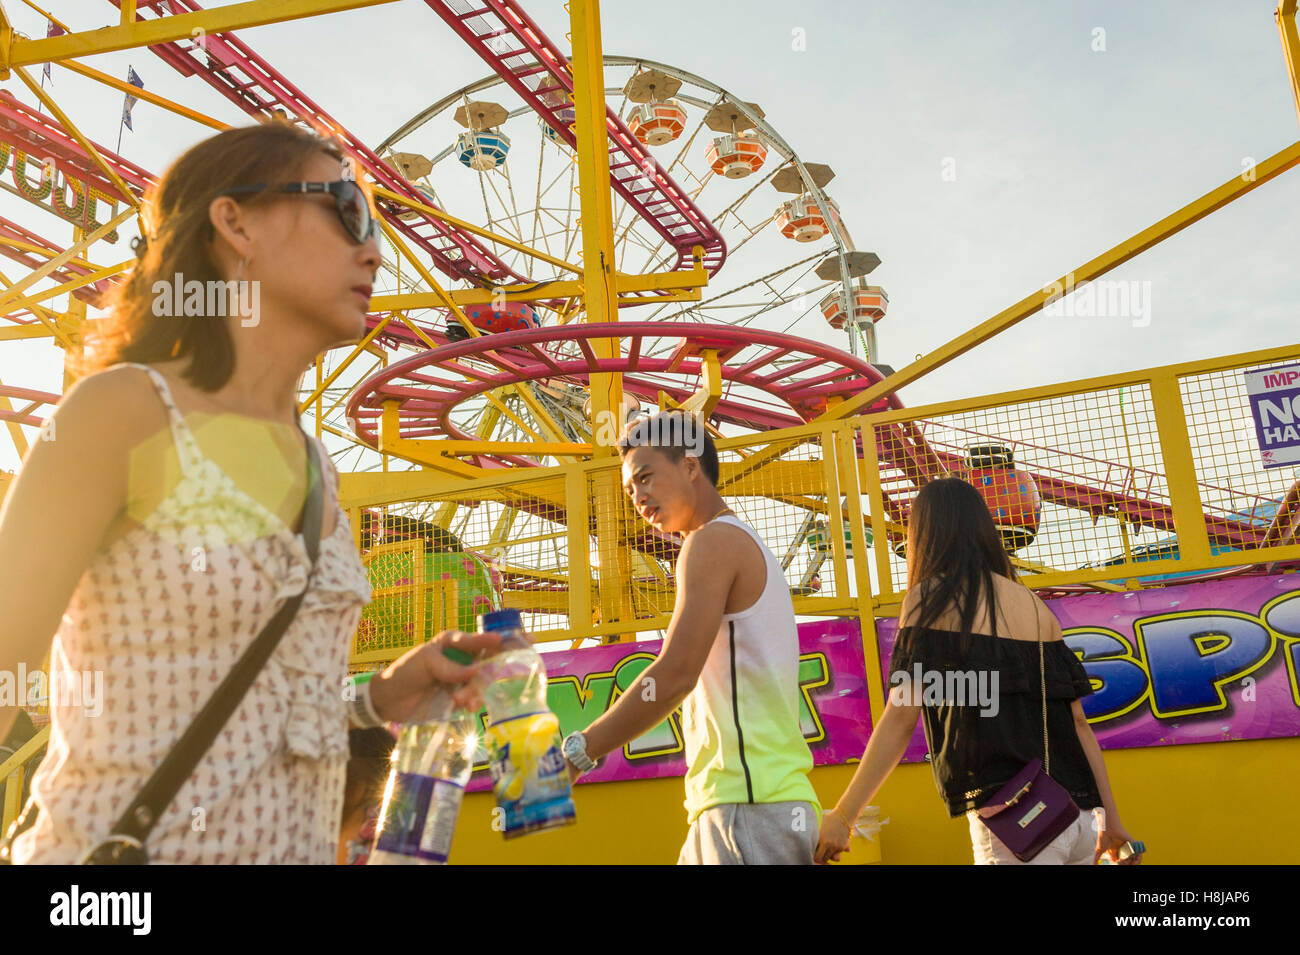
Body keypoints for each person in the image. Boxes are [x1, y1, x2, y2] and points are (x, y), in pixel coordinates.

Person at [0, 122, 498, 864]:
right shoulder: (124, 413)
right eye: (346, 208)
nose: (374, 250)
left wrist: (383, 696)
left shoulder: (317, 468)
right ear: (234, 222)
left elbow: (260, 719)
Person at [815, 477, 1142, 865]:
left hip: (1019, 817)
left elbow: (901, 716)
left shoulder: (930, 599)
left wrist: (843, 816)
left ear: (926, 534)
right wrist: (1112, 820)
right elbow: (1078, 725)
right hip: (1079, 816)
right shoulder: (1035, 607)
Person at [559, 411, 820, 864]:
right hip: (761, 802)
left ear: (690, 466)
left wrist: (579, 752)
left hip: (745, 806)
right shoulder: (742, 542)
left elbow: (676, 673)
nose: (638, 497)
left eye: (646, 478)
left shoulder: (710, 543)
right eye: (630, 489)